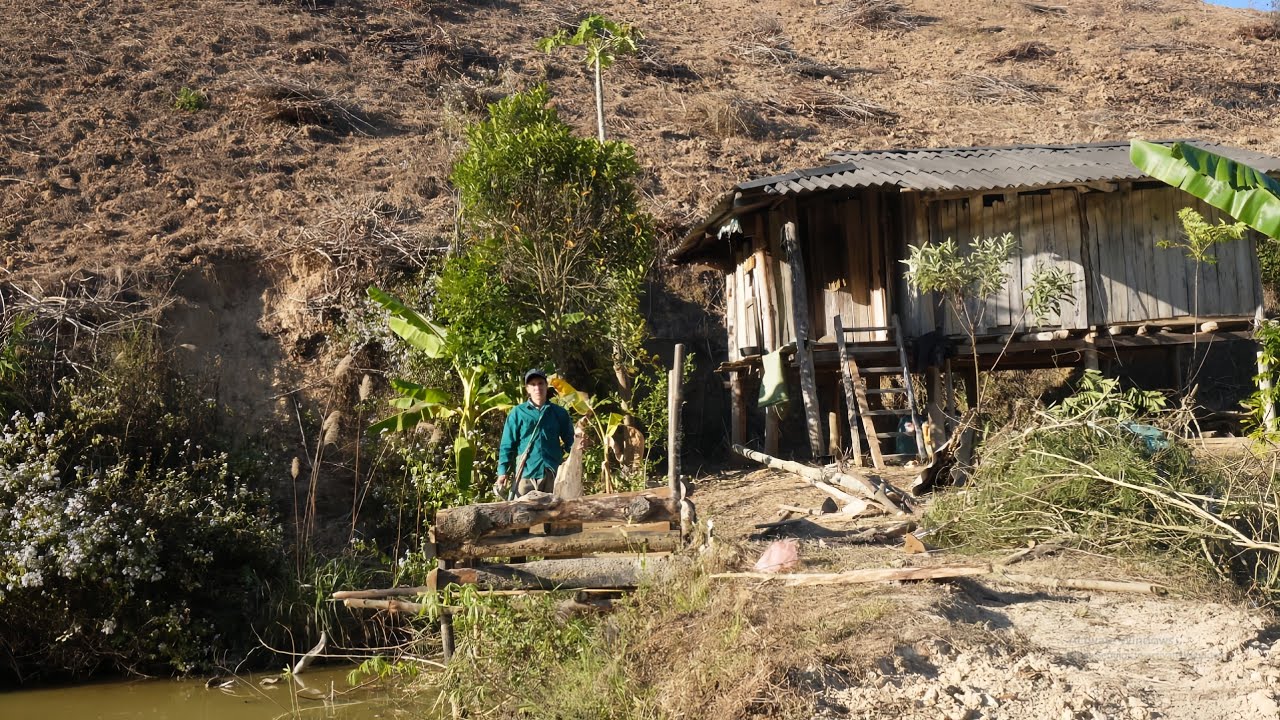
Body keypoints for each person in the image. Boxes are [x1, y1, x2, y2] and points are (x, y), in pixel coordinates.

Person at [495, 369, 575, 499]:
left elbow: (570, 442)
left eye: (540, 383)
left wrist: (578, 448)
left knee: (554, 515)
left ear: (546, 386)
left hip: (552, 474)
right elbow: (507, 445)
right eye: (532, 384)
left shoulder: (559, 413)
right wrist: (502, 472)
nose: (537, 387)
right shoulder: (517, 413)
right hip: (526, 474)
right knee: (522, 515)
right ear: (527, 389)